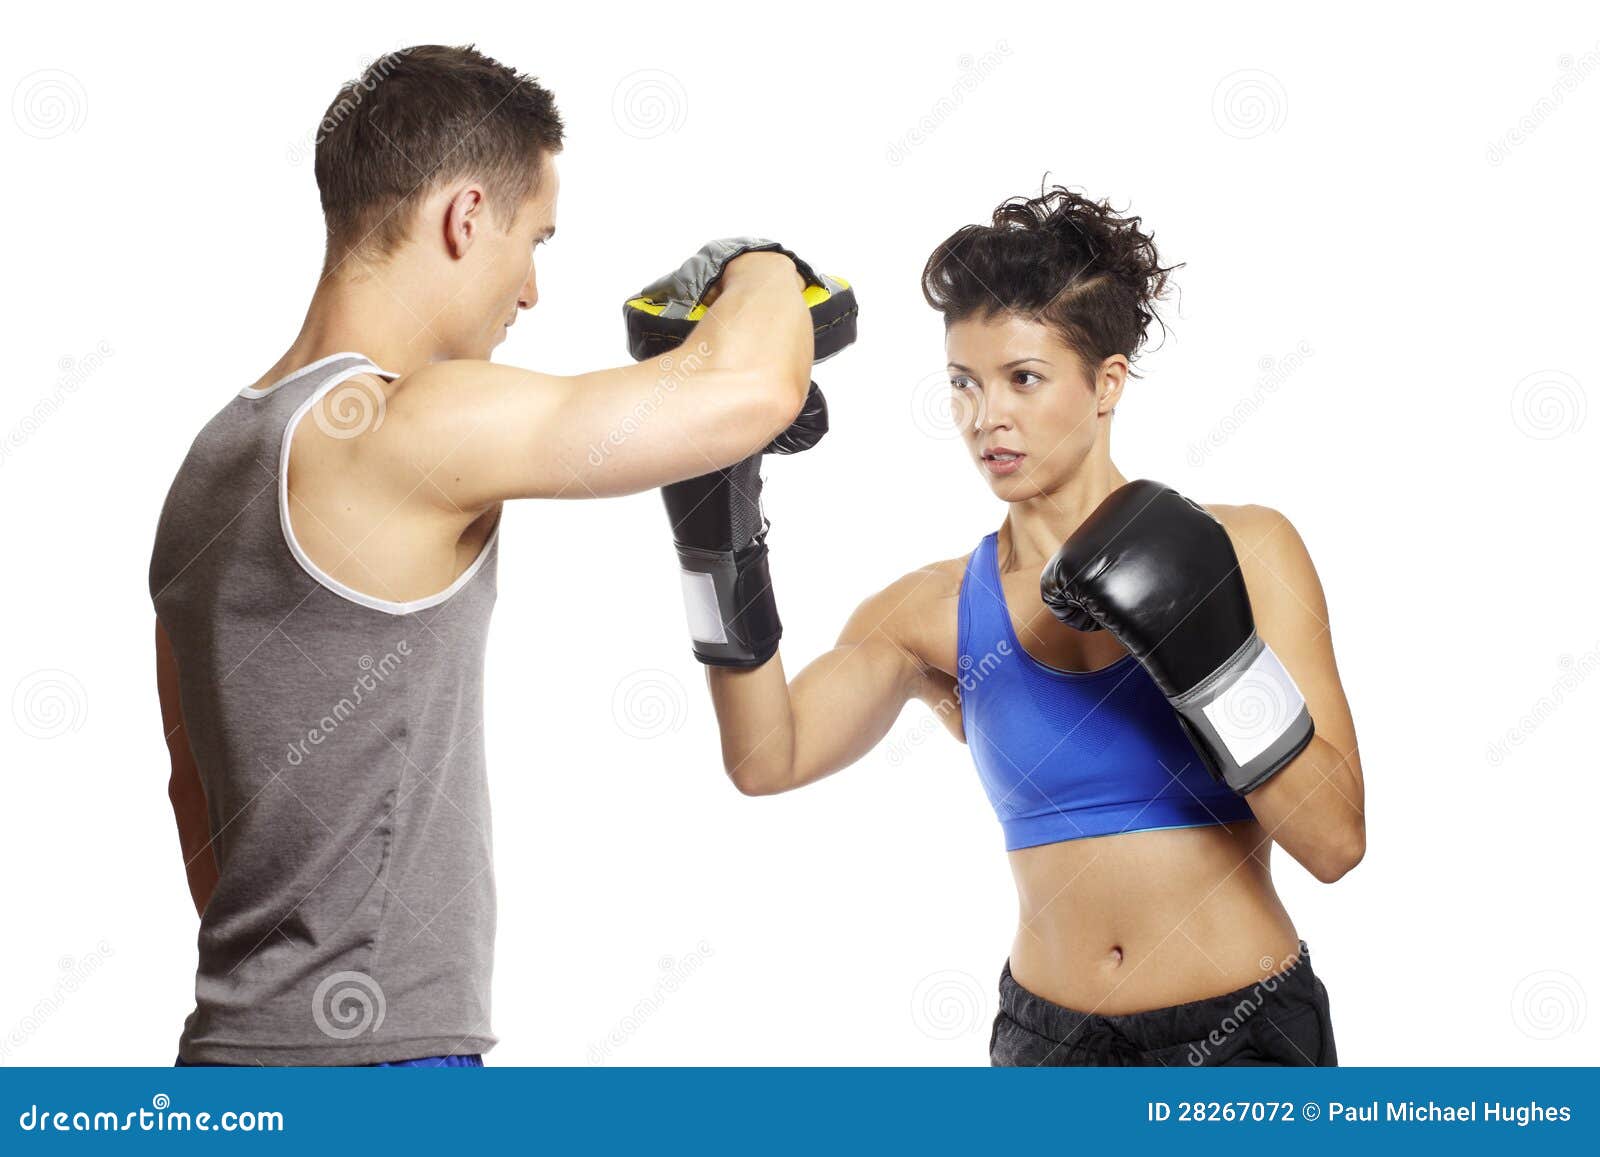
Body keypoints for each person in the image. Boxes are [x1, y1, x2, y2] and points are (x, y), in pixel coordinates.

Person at [150, 44, 850, 1066]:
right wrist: (761, 265)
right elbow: (748, 391)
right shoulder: (402, 420)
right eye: (535, 240)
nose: (529, 291)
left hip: (226, 1057)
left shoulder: (208, 460)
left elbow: (192, 790)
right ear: (464, 216)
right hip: (379, 1067)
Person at [662, 186, 1363, 1066]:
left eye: (1022, 379)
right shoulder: (930, 610)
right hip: (1046, 1047)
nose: (984, 417)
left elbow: (1336, 842)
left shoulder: (1244, 548)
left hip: (1244, 1037)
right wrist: (715, 540)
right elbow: (768, 756)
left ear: (1106, 382)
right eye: (963, 383)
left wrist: (1212, 661)